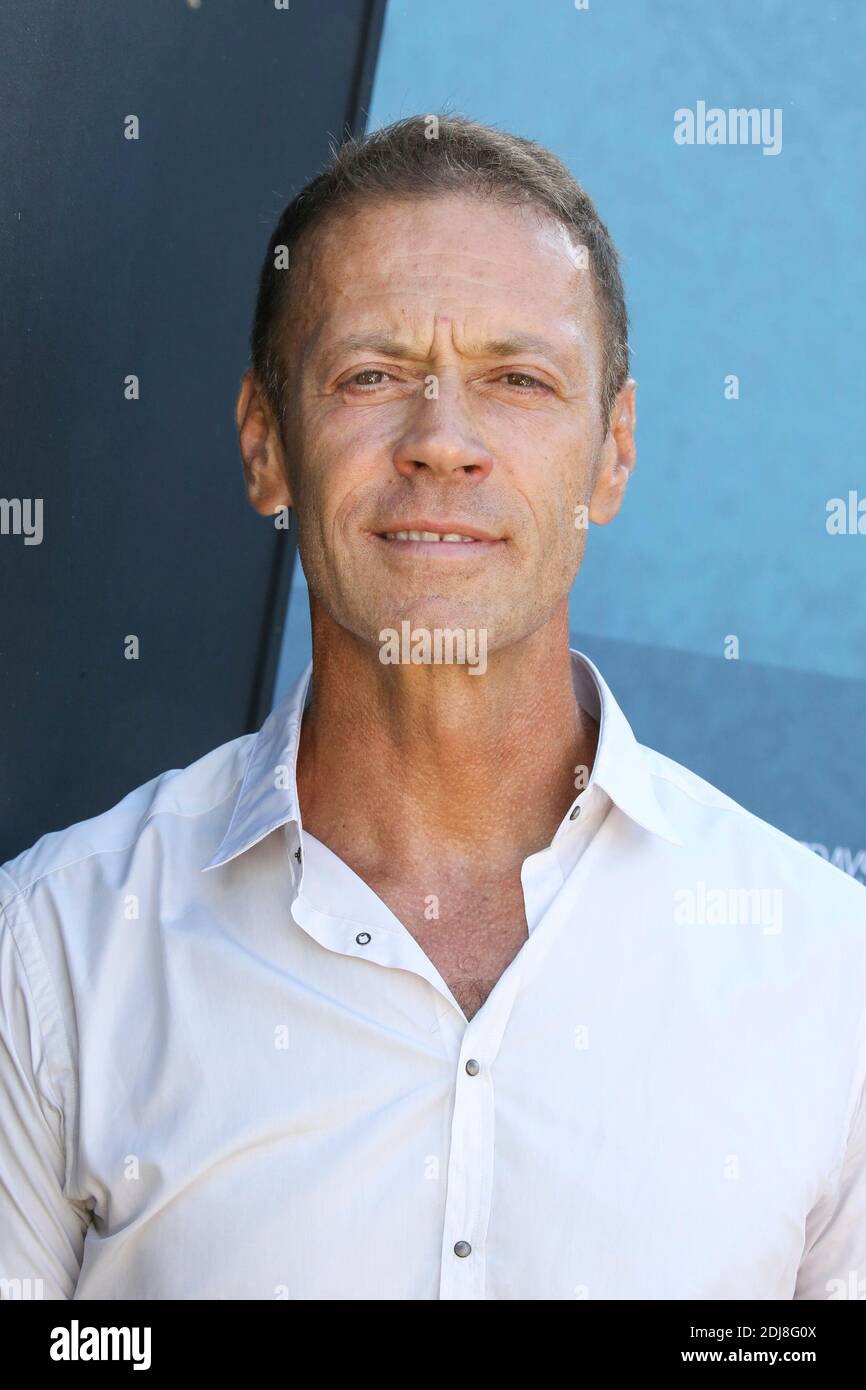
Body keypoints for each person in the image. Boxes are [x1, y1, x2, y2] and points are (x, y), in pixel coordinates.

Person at [1, 115, 864, 1301]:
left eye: (516, 380)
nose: (442, 442)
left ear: (610, 454)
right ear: (266, 444)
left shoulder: (827, 976)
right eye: (372, 374)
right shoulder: (50, 953)